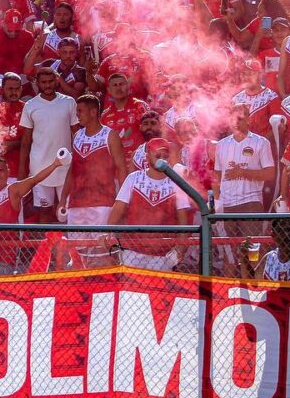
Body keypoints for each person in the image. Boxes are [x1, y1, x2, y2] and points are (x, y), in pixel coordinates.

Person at [107, 138, 193, 271]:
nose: (162, 159)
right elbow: (118, 209)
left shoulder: (176, 182)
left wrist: (181, 246)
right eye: (157, 155)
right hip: (132, 250)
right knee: (131, 290)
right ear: (147, 156)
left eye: (165, 156)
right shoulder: (134, 178)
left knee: (160, 291)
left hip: (163, 253)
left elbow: (183, 219)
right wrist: (109, 234)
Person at [213, 103, 275, 264]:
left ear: (249, 119)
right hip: (227, 205)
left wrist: (243, 172)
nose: (236, 122)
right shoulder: (221, 145)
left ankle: (255, 286)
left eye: (241, 118)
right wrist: (217, 201)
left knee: (252, 251)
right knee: (230, 254)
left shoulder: (261, 143)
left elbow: (270, 173)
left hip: (251, 203)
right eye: (233, 118)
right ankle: (230, 287)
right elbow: (217, 175)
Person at [18, 67, 79, 223]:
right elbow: (26, 141)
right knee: (44, 211)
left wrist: (80, 162)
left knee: (66, 212)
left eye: (51, 81)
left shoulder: (69, 102)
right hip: (39, 168)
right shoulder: (30, 105)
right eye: (44, 82)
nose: (48, 85)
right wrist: (22, 169)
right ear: (37, 83)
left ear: (56, 81)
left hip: (65, 168)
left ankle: (68, 246)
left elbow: (77, 134)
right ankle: (45, 247)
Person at [65, 93, 127, 230]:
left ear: (93, 112)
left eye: (80, 111)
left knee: (102, 249)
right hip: (76, 202)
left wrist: (122, 202)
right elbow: (72, 170)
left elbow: (121, 168)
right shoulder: (77, 136)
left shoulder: (110, 135)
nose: (77, 115)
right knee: (76, 249)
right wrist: (64, 199)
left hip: (102, 202)